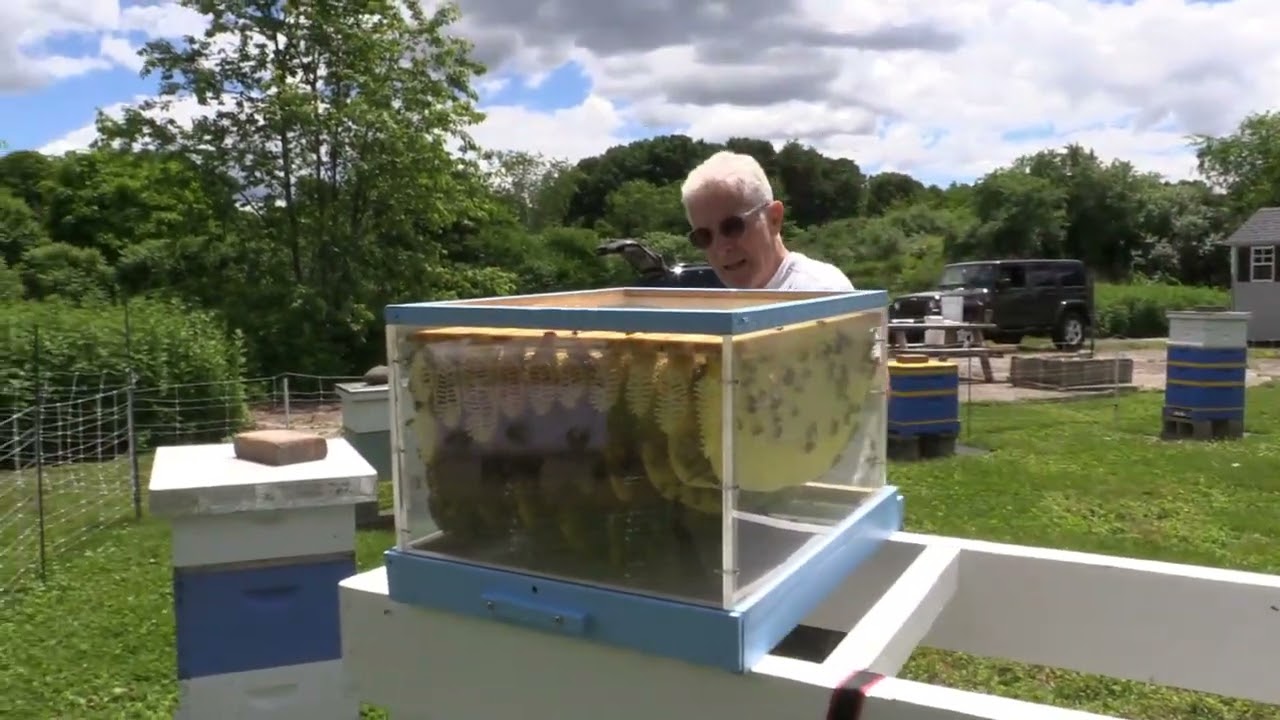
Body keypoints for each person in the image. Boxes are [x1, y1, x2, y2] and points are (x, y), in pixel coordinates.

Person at [680, 150, 855, 291]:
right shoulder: (721, 304)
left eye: (732, 227)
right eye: (703, 237)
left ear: (774, 218)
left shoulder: (821, 294)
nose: (721, 248)